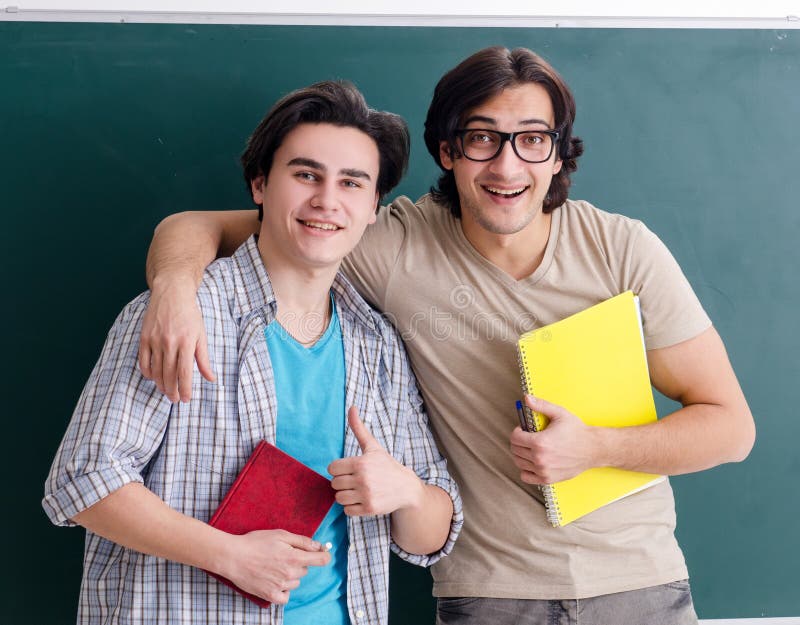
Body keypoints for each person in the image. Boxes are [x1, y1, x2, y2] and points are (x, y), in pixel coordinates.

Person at [140, 47, 754, 625]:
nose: (507, 165)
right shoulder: (391, 242)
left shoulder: (623, 251)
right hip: (487, 595)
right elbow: (196, 226)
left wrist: (596, 449)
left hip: (639, 587)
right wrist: (172, 289)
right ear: (447, 150)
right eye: (482, 138)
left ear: (560, 154)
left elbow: (730, 428)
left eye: (533, 140)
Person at [42, 80, 462, 625]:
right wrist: (229, 556)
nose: (327, 200)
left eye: (352, 183)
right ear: (260, 185)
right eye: (306, 174)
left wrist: (405, 491)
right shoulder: (181, 315)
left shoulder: (376, 344)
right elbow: (82, 481)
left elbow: (430, 535)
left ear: (373, 210)